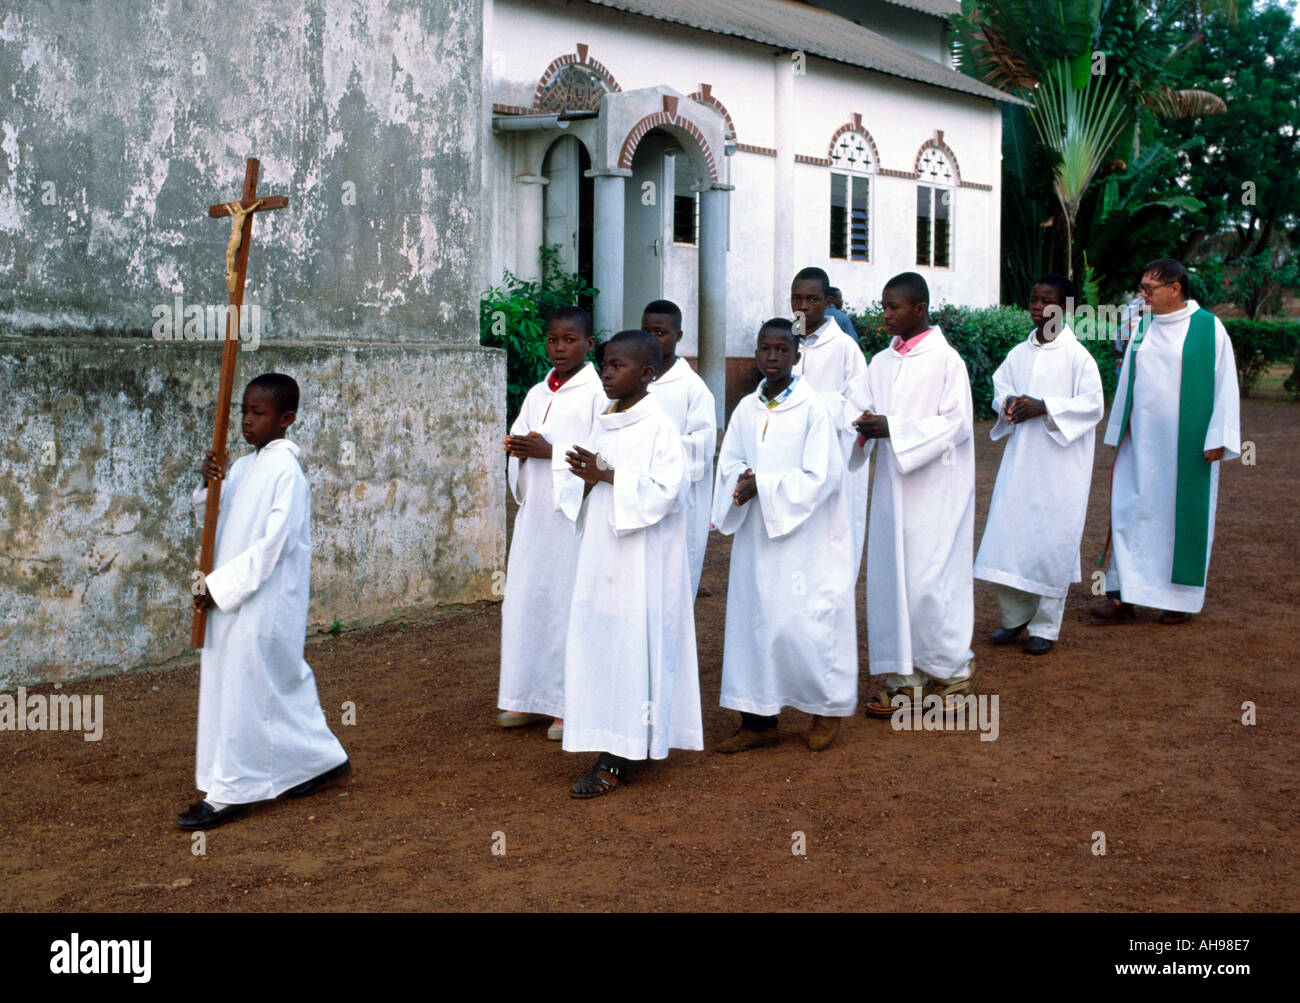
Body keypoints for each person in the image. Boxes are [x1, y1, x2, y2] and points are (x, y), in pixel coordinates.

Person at [180, 374, 349, 831]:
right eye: (244, 411)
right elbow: (215, 520)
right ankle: (320, 758)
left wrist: (219, 586)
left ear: (286, 419)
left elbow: (274, 546)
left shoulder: (286, 473)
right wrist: (209, 485)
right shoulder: (242, 466)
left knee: (247, 689)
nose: (248, 421)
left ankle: (233, 790)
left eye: (259, 413)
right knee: (268, 685)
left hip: (264, 598)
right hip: (233, 595)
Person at [559, 330, 703, 797]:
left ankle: (619, 755)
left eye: (616, 366)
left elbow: (668, 492)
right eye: (604, 364)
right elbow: (579, 484)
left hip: (643, 561)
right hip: (601, 555)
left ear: (646, 374)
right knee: (603, 641)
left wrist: (608, 476)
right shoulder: (604, 420)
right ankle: (608, 734)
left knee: (633, 645)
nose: (605, 372)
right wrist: (583, 481)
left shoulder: (660, 426)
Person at [712, 319, 857, 752]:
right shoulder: (746, 408)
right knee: (756, 622)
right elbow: (729, 460)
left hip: (806, 537)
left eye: (781, 350)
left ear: (797, 356)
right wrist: (741, 480)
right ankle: (758, 720)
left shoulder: (814, 408)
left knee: (803, 621)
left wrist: (766, 484)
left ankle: (825, 708)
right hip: (759, 533)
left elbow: (823, 475)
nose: (771, 357)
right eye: (764, 349)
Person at [851, 273, 976, 717]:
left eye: (894, 306)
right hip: (891, 489)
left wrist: (895, 430)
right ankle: (905, 680)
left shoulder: (946, 361)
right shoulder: (882, 362)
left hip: (936, 488)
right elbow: (858, 406)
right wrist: (862, 425)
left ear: (919, 309)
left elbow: (957, 424)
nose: (885, 314)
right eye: (883, 305)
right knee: (892, 579)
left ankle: (952, 669)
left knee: (928, 579)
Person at [1093, 258, 1240, 625]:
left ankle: (1177, 600)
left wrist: (1219, 435)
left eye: (1149, 289)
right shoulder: (1142, 325)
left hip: (1187, 449)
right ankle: (1122, 596)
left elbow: (1226, 384)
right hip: (1141, 443)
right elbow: (1128, 378)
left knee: (1178, 519)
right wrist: (1119, 430)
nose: (1142, 295)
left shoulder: (1209, 328)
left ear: (1175, 289)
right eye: (1141, 288)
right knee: (1130, 512)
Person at [973, 275, 1104, 655]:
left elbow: (1093, 405)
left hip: (1061, 467)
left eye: (1046, 300)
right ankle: (1015, 618)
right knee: (1008, 538)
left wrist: (1046, 405)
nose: (1036, 307)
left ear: (1064, 308)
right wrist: (1011, 402)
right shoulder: (1019, 353)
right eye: (1032, 299)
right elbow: (1000, 388)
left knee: (1051, 541)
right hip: (1021, 463)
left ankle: (1045, 626)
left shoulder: (1078, 357)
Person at [497, 306, 605, 740]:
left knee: (565, 602)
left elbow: (601, 457)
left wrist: (551, 452)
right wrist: (517, 448)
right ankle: (525, 696)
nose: (559, 348)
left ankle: (566, 703)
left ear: (589, 344)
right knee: (527, 599)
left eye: (570, 340)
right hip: (536, 516)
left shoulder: (599, 393)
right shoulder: (537, 393)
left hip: (572, 519)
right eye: (552, 340)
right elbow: (522, 436)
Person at [790, 266, 871, 576]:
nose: (803, 306)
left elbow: (859, 405)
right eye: (797, 298)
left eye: (812, 299)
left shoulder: (845, 348)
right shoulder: (788, 340)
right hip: (793, 456)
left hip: (831, 453)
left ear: (828, 303)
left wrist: (812, 409)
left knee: (831, 537)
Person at [642, 299, 716, 597]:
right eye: (646, 331)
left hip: (679, 499)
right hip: (639, 490)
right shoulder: (635, 376)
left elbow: (701, 448)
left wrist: (654, 453)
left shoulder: (692, 387)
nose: (652, 339)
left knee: (673, 584)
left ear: (678, 336)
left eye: (660, 332)